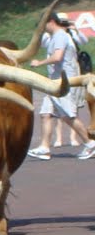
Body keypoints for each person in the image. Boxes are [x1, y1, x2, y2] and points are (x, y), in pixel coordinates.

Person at [27, 14, 93, 160]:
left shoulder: (60, 36)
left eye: (43, 25)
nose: (42, 29)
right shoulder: (54, 37)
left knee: (67, 116)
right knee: (46, 114)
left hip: (64, 82)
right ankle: (44, 148)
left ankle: (90, 143)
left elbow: (58, 57)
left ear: (51, 21)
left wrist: (39, 63)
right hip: (54, 83)